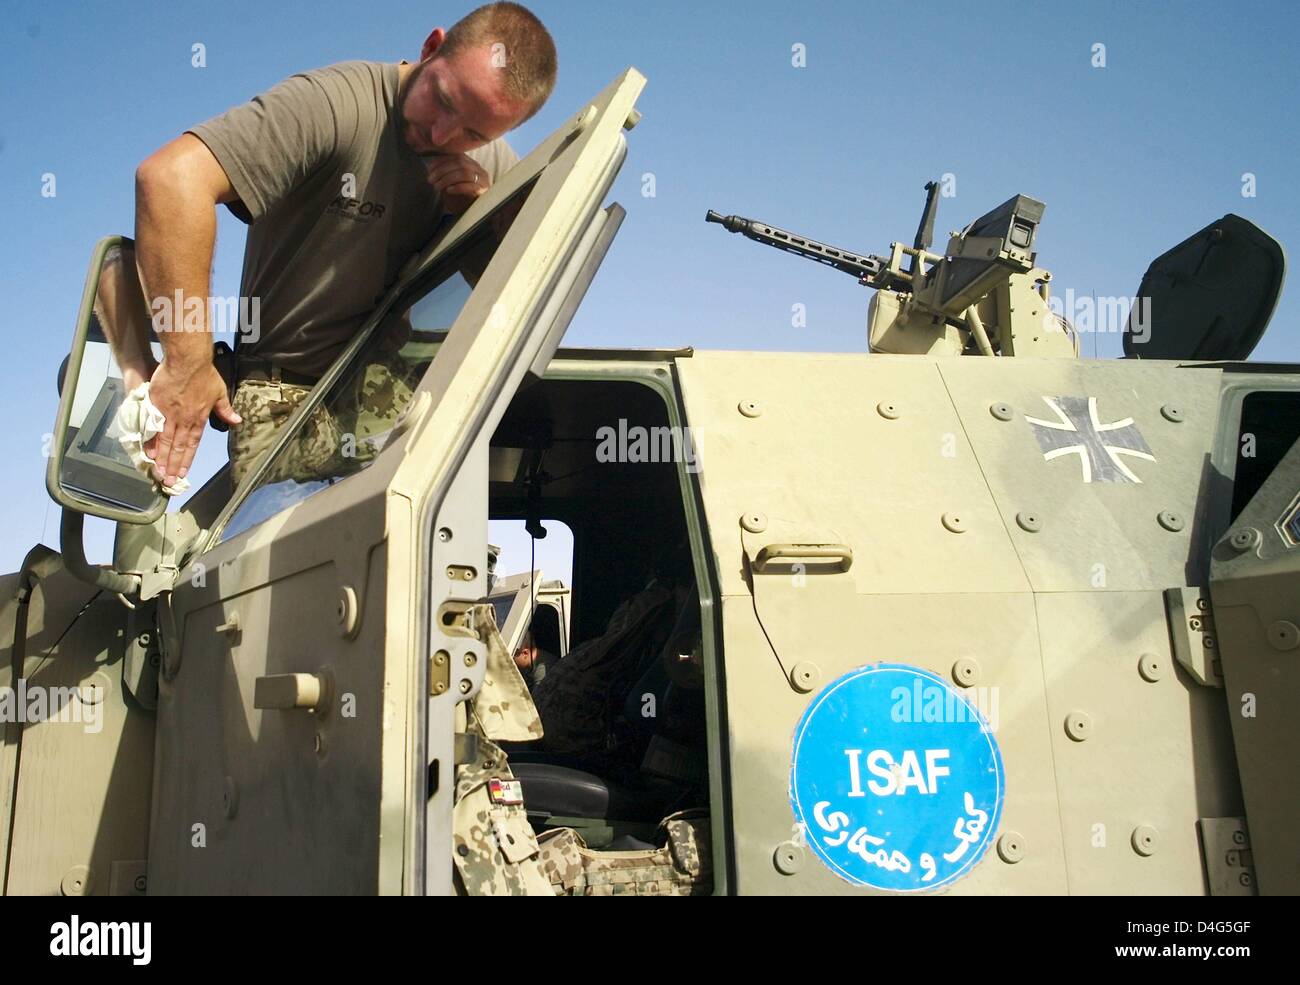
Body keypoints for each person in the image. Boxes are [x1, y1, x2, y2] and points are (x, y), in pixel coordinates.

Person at [111, 3, 557, 488]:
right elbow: (171, 179)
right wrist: (188, 363)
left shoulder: (495, 171)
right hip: (284, 397)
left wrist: (480, 219)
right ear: (430, 50)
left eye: (473, 132)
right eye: (444, 101)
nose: (442, 135)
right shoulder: (335, 104)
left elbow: (521, 301)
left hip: (398, 396)